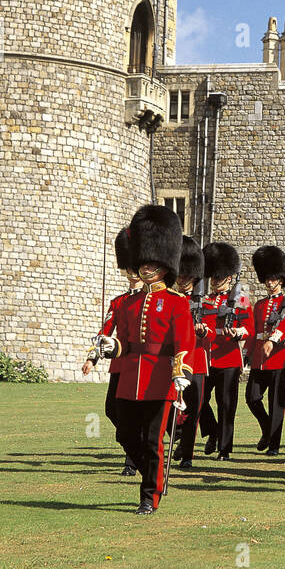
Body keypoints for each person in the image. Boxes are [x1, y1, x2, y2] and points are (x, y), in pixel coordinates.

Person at [103, 204, 194, 515]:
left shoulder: (176, 303)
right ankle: (152, 475)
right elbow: (124, 343)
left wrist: (181, 371)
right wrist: (109, 347)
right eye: (143, 261)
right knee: (125, 434)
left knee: (153, 440)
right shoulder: (130, 303)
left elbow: (184, 341)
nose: (144, 268)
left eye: (151, 262)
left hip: (159, 378)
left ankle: (149, 496)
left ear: (164, 265)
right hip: (131, 376)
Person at [81, 228, 140, 475]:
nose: (132, 274)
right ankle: (135, 446)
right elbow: (104, 331)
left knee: (131, 414)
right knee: (111, 410)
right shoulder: (118, 302)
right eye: (129, 269)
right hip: (119, 364)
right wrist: (92, 357)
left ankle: (131, 461)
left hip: (139, 364)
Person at [197, 242, 252, 459]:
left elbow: (250, 327)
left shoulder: (240, 298)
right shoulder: (205, 299)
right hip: (207, 356)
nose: (215, 281)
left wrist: (238, 332)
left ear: (229, 277)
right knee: (199, 401)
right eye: (213, 277)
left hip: (228, 357)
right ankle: (213, 431)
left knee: (226, 405)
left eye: (219, 277)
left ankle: (225, 448)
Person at [246, 245, 285, 455]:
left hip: (279, 357)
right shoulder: (260, 305)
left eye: (273, 279)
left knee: (277, 403)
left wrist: (279, 340)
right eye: (267, 279)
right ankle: (267, 429)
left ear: (281, 280)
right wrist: (247, 353)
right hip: (259, 357)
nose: (269, 283)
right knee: (252, 397)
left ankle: (274, 444)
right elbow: (254, 332)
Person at [171, 238, 208, 471]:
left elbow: (213, 327)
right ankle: (179, 436)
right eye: (180, 275)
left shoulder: (204, 302)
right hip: (175, 362)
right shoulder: (172, 300)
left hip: (198, 361)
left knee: (194, 411)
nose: (182, 280)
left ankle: (188, 454)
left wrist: (204, 330)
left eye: (187, 276)